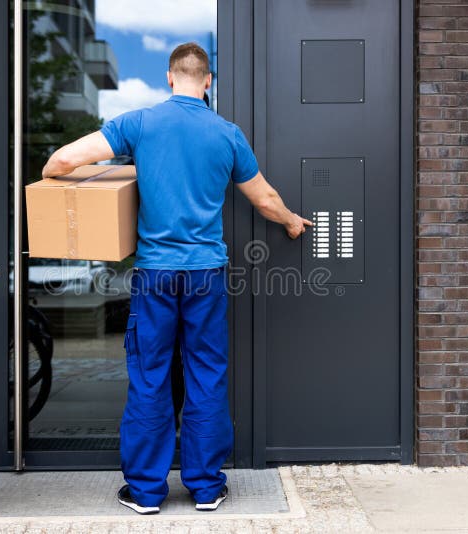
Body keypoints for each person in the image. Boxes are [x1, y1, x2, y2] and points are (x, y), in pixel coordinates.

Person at [41, 42, 311, 514]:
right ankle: (206, 487)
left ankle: (145, 493)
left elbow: (64, 161)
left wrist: (48, 174)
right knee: (206, 374)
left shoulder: (140, 123)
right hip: (205, 276)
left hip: (155, 277)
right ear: (208, 82)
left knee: (150, 376)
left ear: (170, 78)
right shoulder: (226, 133)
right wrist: (290, 221)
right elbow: (265, 198)